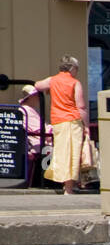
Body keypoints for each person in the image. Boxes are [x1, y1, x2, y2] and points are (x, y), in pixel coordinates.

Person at [33, 56, 89, 195]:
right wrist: (86, 126)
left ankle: (67, 185)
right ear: (72, 68)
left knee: (62, 154)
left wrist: (49, 89)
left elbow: (37, 85)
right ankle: (69, 188)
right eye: (77, 69)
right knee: (72, 155)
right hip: (72, 121)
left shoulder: (53, 80)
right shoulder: (75, 83)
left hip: (58, 121)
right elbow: (81, 107)